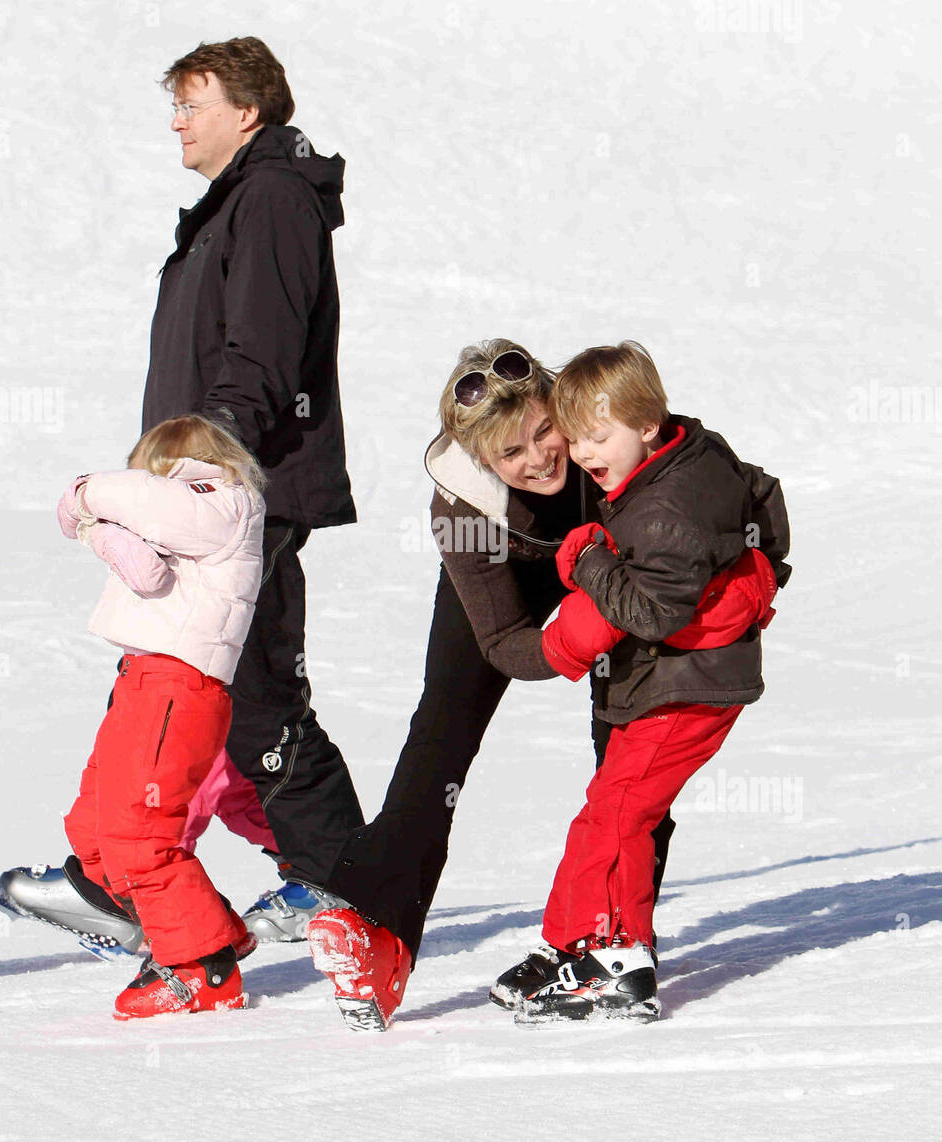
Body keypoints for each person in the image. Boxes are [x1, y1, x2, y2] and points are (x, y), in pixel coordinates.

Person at [0, 36, 361, 946]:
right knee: (178, 684)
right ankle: (115, 874)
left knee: (252, 694)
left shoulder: (271, 198)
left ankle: (349, 883)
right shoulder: (240, 201)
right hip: (213, 488)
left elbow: (260, 356)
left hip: (240, 499)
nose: (176, 122)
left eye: (191, 104)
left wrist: (199, 476)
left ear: (247, 111)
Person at [303, 340, 768, 1031]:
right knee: (444, 724)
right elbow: (501, 646)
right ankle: (378, 928)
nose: (542, 458)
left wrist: (752, 577)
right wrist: (572, 635)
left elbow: (726, 491)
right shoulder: (463, 509)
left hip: (615, 569)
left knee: (631, 739)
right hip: (521, 573)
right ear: (484, 462)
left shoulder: (606, 436)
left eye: (546, 432)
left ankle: (608, 939)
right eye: (510, 455)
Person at [508, 342, 791, 1024]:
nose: (581, 454)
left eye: (596, 437)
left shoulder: (662, 512)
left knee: (619, 814)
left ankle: (614, 956)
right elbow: (764, 494)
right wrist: (760, 569)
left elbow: (651, 610)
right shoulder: (695, 450)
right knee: (608, 808)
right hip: (681, 681)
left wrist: (589, 560)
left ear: (644, 422)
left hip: (684, 690)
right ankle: (572, 945)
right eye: (574, 439)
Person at [45, 415, 263, 1018]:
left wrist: (86, 493)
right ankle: (192, 927)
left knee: (141, 833)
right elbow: (145, 572)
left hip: (178, 685)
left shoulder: (224, 501)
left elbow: (149, 507)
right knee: (94, 828)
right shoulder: (182, 521)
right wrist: (96, 529)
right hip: (142, 682)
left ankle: (201, 967)